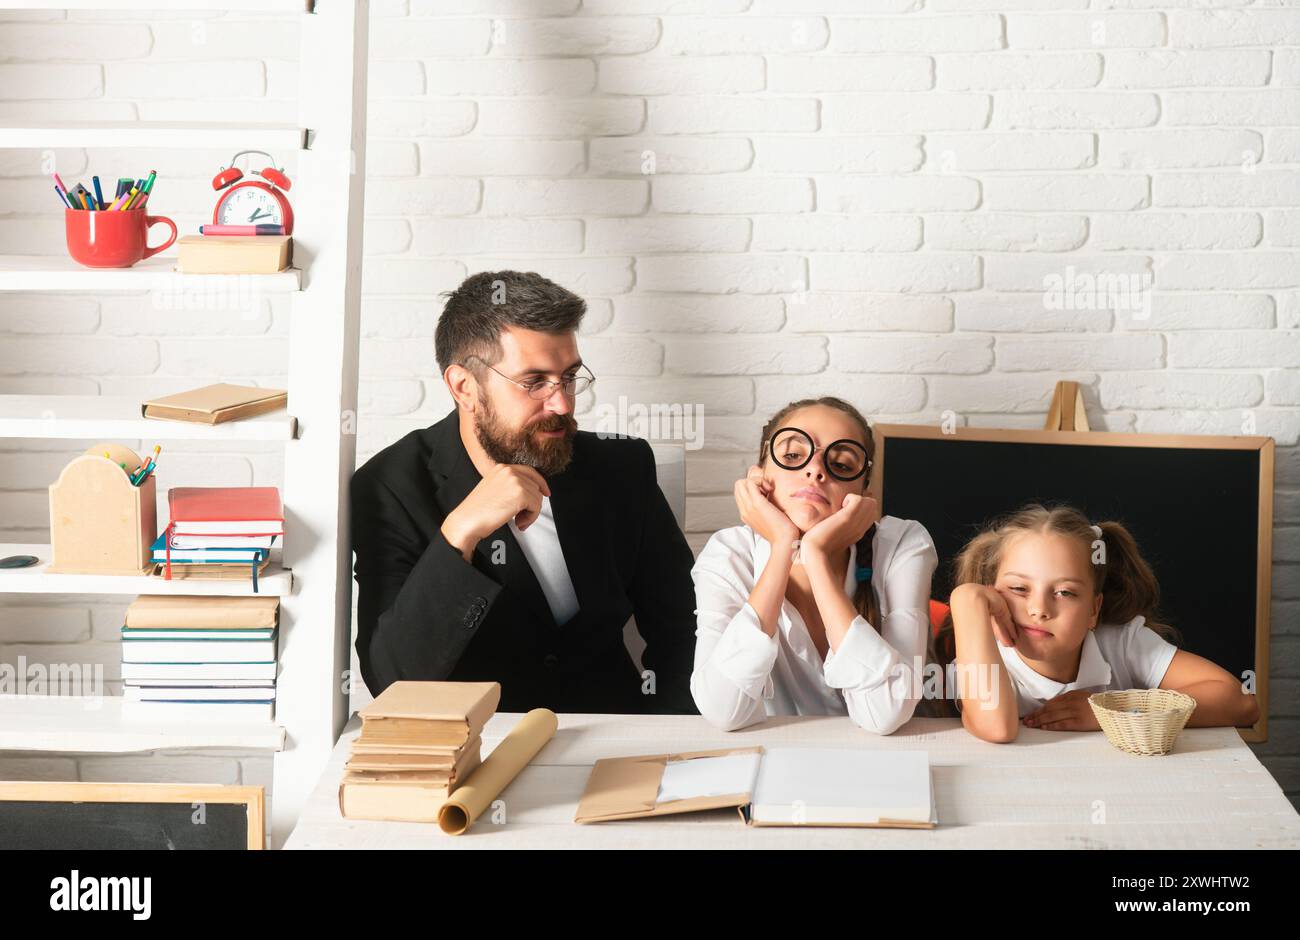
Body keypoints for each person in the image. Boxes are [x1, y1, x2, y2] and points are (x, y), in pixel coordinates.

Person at [350, 270, 698, 714]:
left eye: (569, 377)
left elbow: (684, 631)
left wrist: (670, 741)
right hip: (477, 753)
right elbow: (392, 680)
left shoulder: (622, 468)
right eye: (534, 382)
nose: (564, 404)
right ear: (465, 387)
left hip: (614, 738)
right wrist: (458, 535)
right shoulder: (390, 486)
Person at [690, 396, 939, 733]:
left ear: (863, 492)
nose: (816, 470)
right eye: (793, 455)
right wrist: (782, 546)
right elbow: (722, 710)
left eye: (843, 465)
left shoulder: (904, 545)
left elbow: (886, 715)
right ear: (758, 477)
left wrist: (816, 555)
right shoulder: (727, 554)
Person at [942, 503, 1259, 743]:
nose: (1039, 609)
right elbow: (997, 728)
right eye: (1018, 589)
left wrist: (1115, 711)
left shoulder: (1121, 643)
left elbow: (1242, 704)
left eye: (1065, 592)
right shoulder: (980, 654)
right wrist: (966, 601)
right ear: (992, 594)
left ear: (1094, 610)